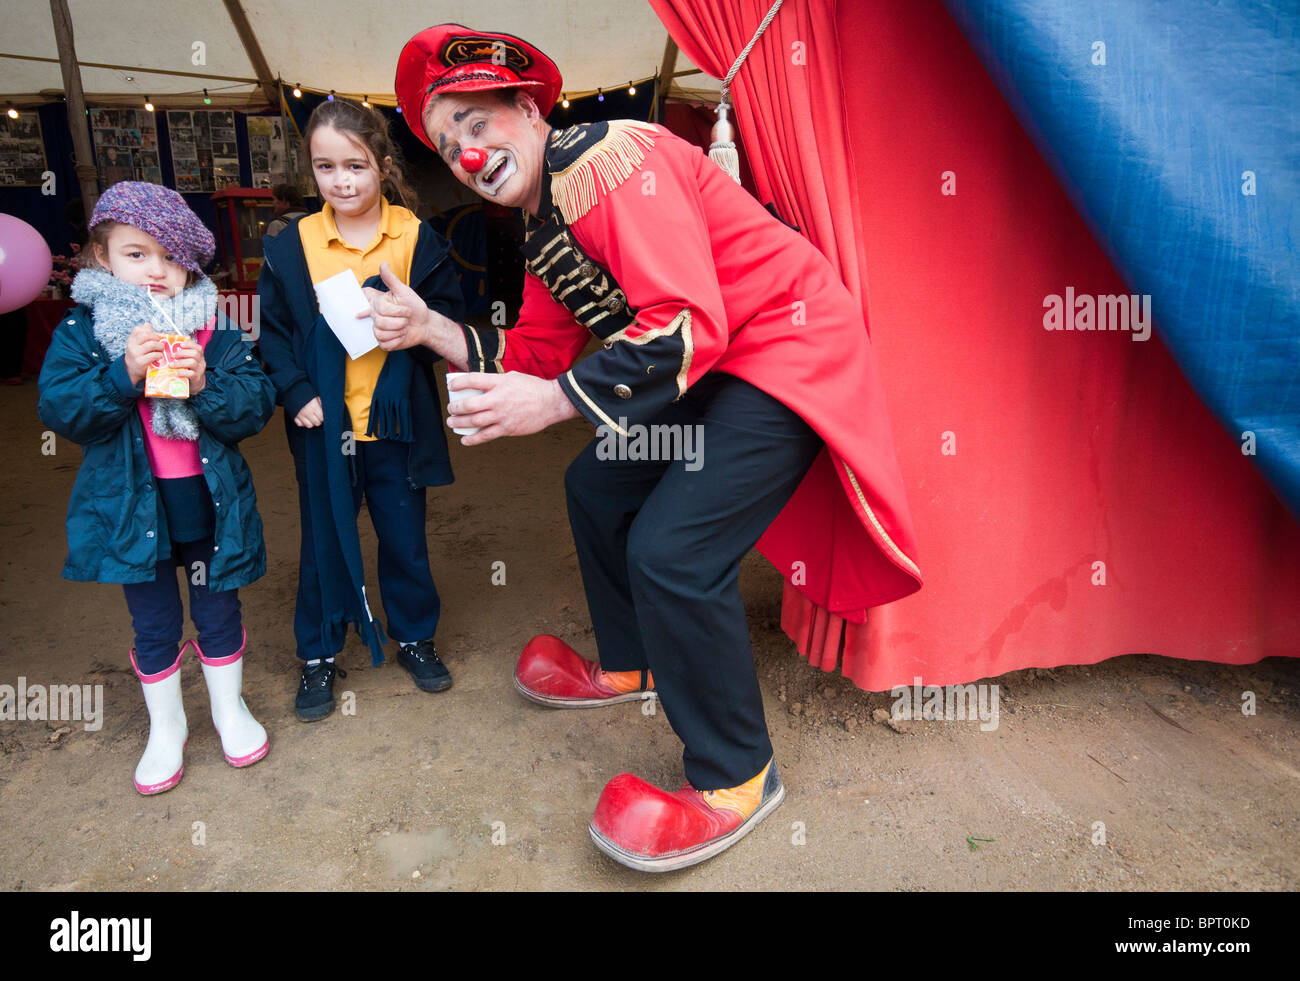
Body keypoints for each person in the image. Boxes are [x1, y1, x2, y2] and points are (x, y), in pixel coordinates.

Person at [380, 26, 925, 871]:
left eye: (477, 123)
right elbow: (533, 351)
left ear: (528, 109)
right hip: (715, 365)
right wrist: (429, 327)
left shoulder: (609, 158)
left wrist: (556, 401)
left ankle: (738, 774)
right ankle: (633, 665)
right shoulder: (544, 221)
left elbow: (683, 321)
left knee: (673, 549)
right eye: (449, 145)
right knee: (597, 486)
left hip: (783, 348)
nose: (466, 153)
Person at [37, 181, 276, 795]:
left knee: (218, 605)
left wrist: (206, 387)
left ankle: (229, 710)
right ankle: (165, 726)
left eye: (172, 258)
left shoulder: (214, 330)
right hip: (131, 509)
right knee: (153, 621)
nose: (156, 271)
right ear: (100, 258)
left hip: (204, 504)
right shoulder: (83, 333)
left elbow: (254, 406)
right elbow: (62, 408)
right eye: (137, 254)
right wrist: (121, 375)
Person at [257, 99, 465, 722]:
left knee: (404, 538)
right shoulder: (292, 244)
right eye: (326, 167)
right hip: (325, 425)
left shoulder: (412, 237)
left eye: (355, 165)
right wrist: (296, 391)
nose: (341, 181)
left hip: (396, 424)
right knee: (323, 540)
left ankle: (414, 637)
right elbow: (270, 334)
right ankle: (319, 652)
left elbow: (449, 316)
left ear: (382, 166)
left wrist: (416, 327)